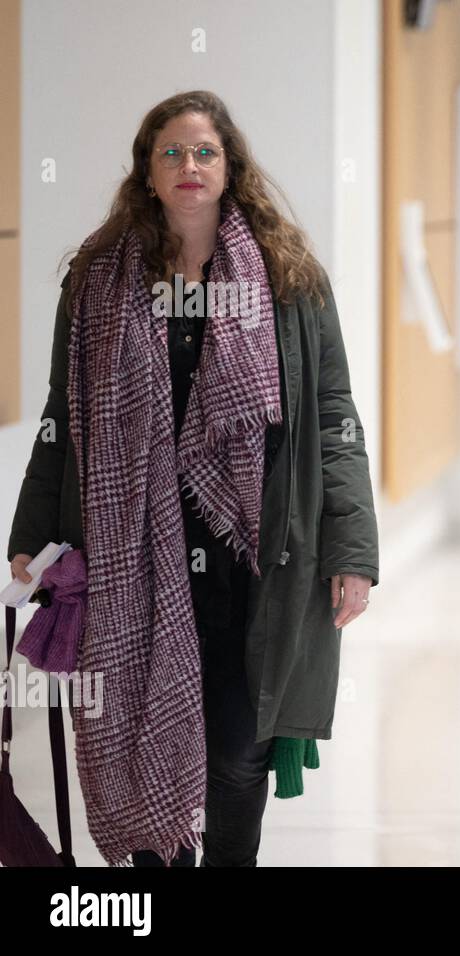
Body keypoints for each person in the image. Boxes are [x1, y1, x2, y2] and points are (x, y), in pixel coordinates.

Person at [6, 90, 380, 867]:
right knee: (138, 738)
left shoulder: (287, 276)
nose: (188, 165)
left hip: (249, 543)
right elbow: (60, 414)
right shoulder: (98, 278)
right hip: (127, 549)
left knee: (240, 745)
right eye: (170, 152)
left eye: (204, 151)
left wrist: (352, 548)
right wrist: (31, 536)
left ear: (230, 167)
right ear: (146, 172)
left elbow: (333, 414)